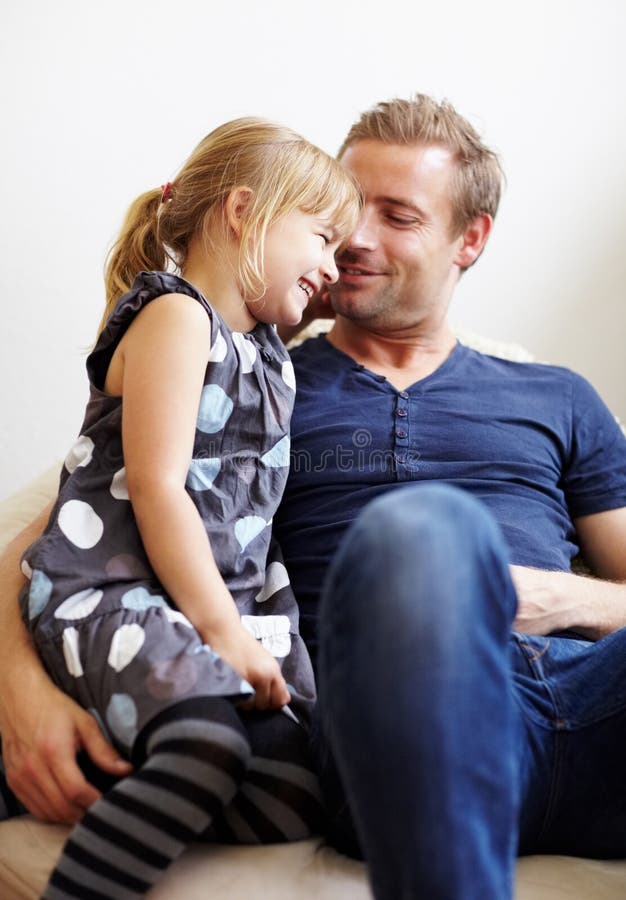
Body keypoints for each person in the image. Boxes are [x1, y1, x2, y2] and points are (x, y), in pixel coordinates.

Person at [2, 93, 626, 900]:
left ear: (470, 239)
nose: (355, 239)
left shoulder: (558, 395)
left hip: (589, 696)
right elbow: (71, 530)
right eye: (342, 213)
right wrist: (19, 690)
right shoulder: (247, 376)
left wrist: (549, 597)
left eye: (397, 215)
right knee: (422, 531)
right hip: (395, 723)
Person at [0, 116, 360, 899]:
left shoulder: (269, 354)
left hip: (191, 616)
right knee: (206, 743)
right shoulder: (176, 317)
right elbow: (159, 485)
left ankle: (114, 769)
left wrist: (317, 284)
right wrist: (223, 632)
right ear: (242, 211)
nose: (334, 266)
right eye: (324, 238)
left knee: (298, 788)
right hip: (110, 595)